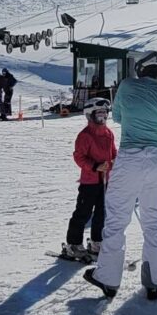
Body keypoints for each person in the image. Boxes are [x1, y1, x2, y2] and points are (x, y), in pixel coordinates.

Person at [86, 51, 157, 300]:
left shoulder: (126, 85)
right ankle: (154, 280)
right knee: (154, 221)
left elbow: (117, 117)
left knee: (116, 219)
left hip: (130, 156)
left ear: (141, 69)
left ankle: (108, 279)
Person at [62, 97, 116, 262]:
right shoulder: (85, 136)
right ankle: (73, 244)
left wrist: (114, 163)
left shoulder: (108, 134)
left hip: (104, 181)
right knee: (83, 213)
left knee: (101, 213)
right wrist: (94, 166)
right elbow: (79, 157)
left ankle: (96, 242)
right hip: (89, 182)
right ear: (90, 115)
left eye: (104, 114)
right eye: (99, 114)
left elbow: (113, 153)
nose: (102, 117)